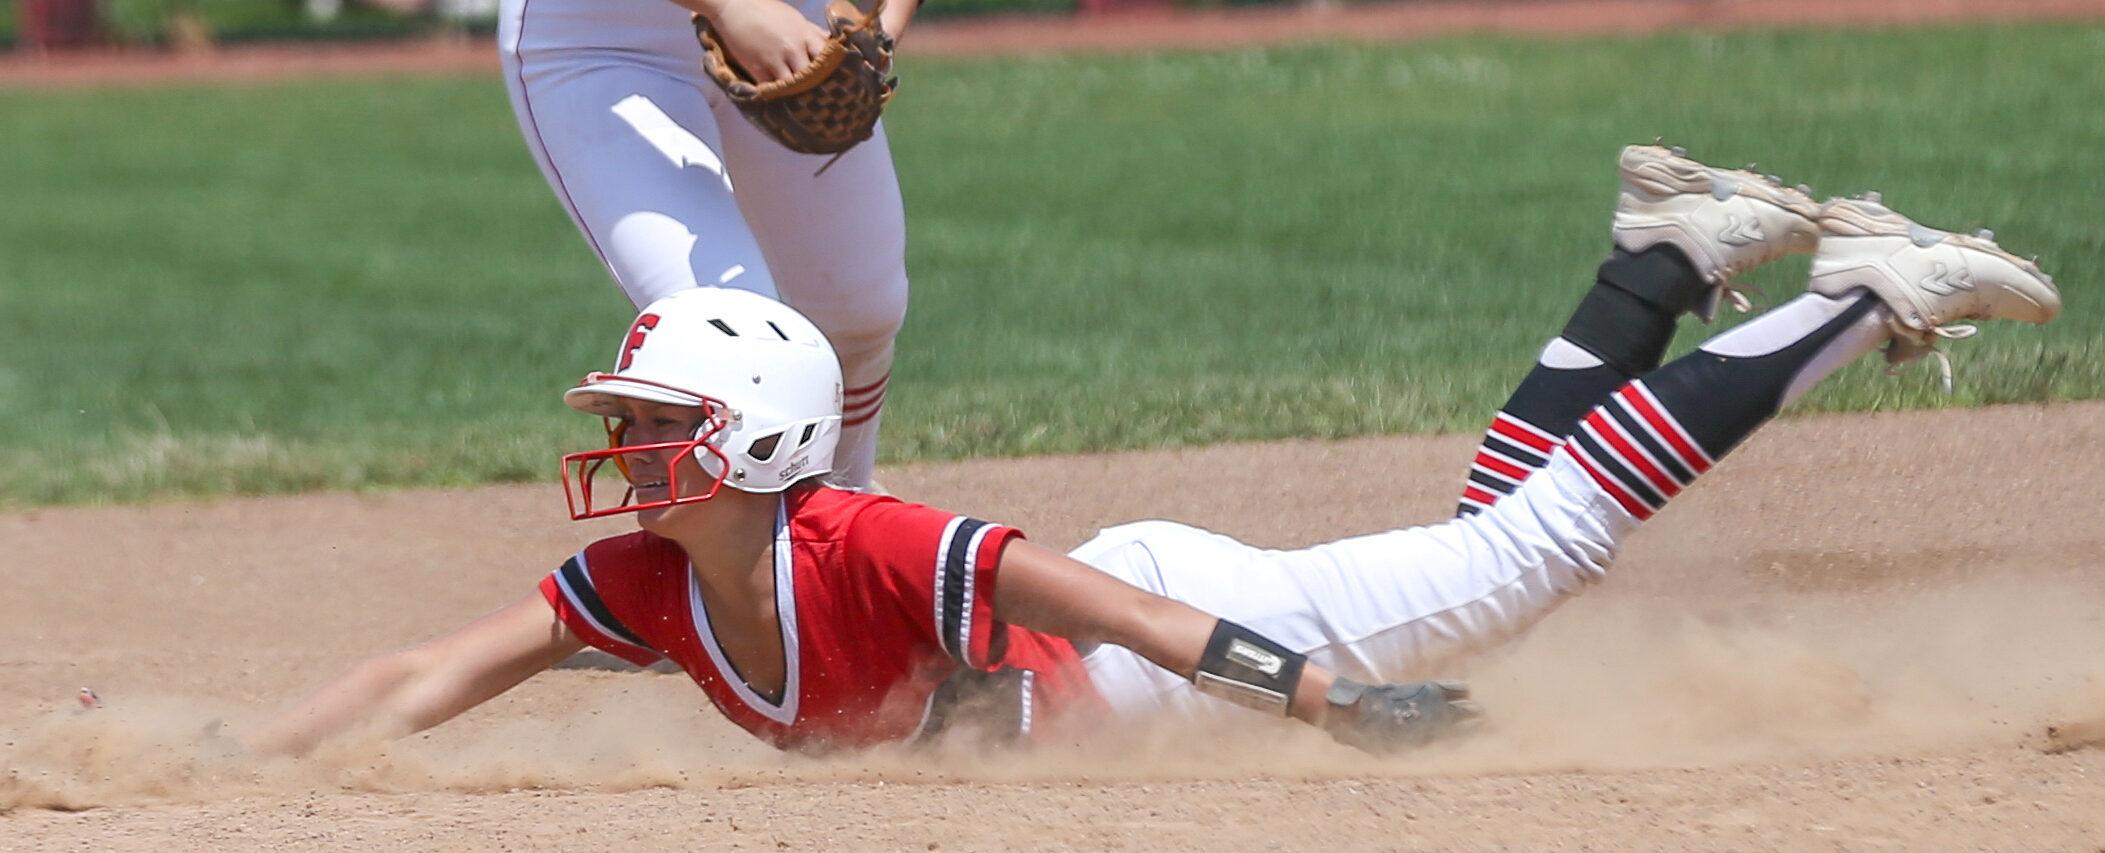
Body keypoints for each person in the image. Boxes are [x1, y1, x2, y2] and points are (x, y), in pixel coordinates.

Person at [238, 146, 2060, 757]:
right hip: (1157, 624)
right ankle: (1655, 251)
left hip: (1185, 627)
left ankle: (1852, 292)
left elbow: (1103, 606)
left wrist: (1313, 703)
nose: (630, 460)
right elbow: (430, 664)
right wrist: (244, 754)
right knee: (1485, 539)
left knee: (1524, 553)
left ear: (765, 443)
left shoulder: (862, 535)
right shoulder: (657, 580)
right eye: (631, 432)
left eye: (660, 433)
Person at [497, 0, 913, 491]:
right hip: (602, 40)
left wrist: (884, 24)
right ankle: (746, 554)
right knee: (732, 338)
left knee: (859, 311)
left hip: (792, 21)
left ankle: (841, 516)